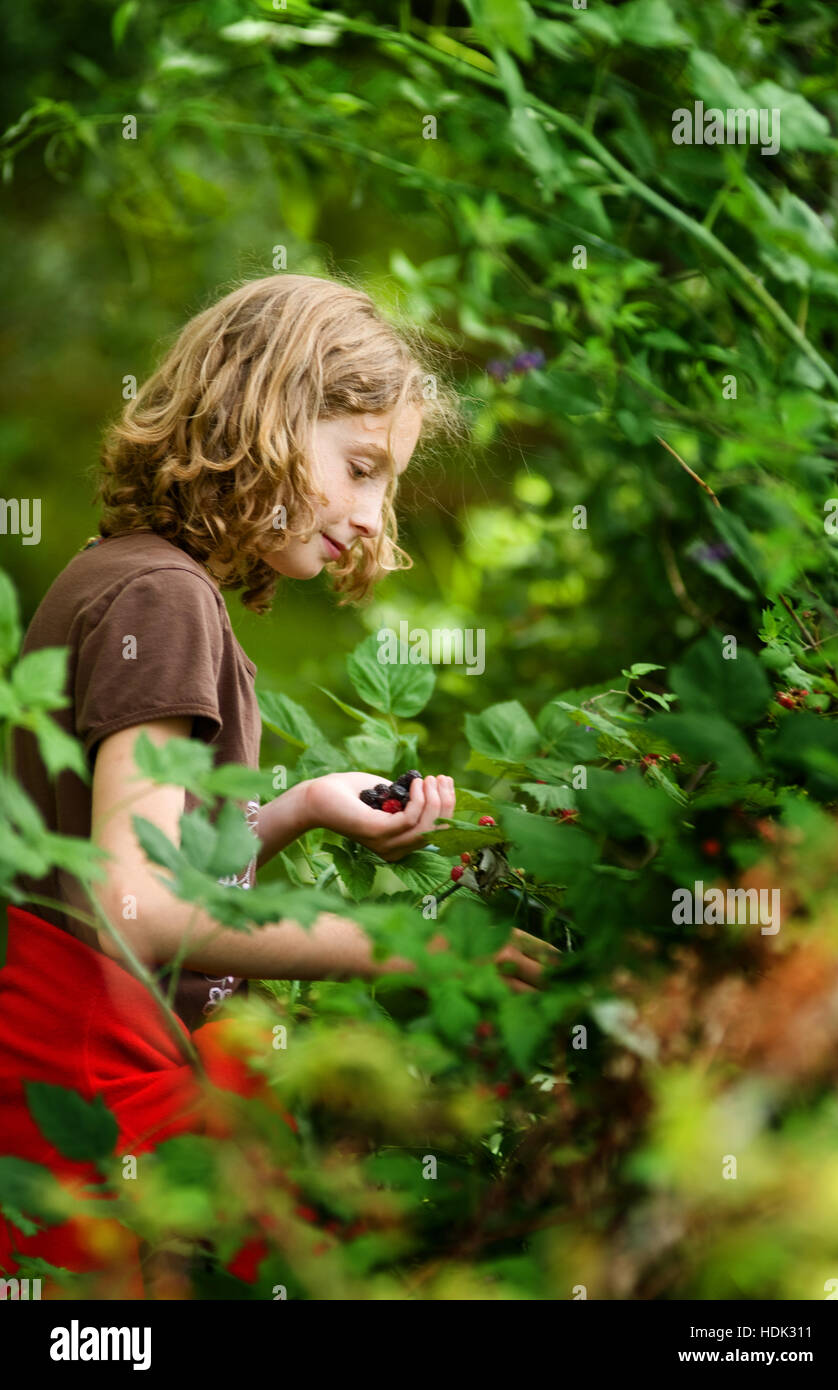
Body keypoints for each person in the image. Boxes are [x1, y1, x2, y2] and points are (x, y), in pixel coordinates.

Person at [0, 273, 557, 1291]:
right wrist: (410, 946)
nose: (369, 517)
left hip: (78, 1078)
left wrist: (294, 810)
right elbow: (138, 910)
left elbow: (119, 867)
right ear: (264, 413)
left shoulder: (125, 574)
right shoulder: (162, 598)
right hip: (97, 1087)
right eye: (359, 467)